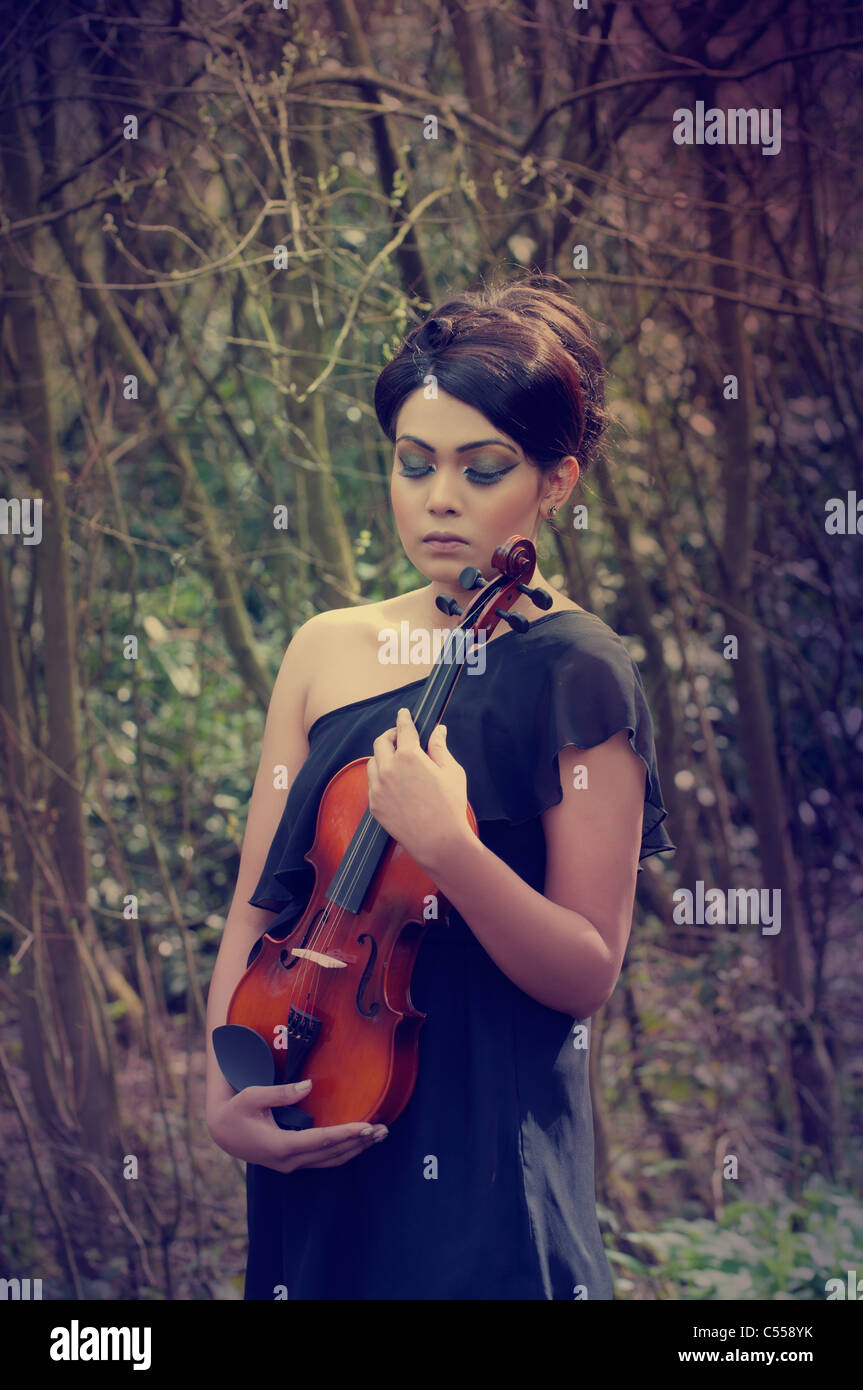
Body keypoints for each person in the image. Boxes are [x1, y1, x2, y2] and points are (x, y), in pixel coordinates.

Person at [205, 270, 675, 1300]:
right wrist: (221, 1086)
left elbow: (584, 970)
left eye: (481, 466)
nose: (440, 497)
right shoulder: (322, 651)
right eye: (413, 465)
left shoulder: (578, 669)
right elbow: (258, 910)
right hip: (310, 1124)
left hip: (482, 1179)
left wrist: (448, 847)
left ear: (554, 482)